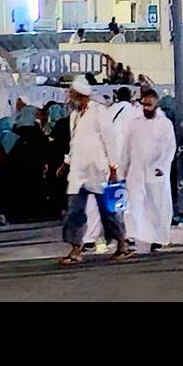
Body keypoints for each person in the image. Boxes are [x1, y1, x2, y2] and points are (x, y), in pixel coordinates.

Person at [58, 77, 130, 265]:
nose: (68, 96)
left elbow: (110, 140)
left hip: (99, 171)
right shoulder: (75, 116)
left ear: (78, 94)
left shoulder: (99, 112)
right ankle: (75, 248)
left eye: (71, 92)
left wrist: (113, 167)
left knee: (108, 211)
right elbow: (74, 143)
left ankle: (122, 244)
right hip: (78, 172)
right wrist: (66, 163)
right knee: (74, 211)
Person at [120, 89, 176, 253]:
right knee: (133, 205)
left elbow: (169, 148)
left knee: (158, 206)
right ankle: (131, 236)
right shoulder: (135, 123)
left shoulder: (165, 124)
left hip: (156, 172)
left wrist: (162, 167)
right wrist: (122, 170)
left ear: (156, 104)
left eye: (149, 104)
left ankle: (159, 239)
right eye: (143, 104)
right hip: (136, 171)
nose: (146, 108)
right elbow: (127, 149)